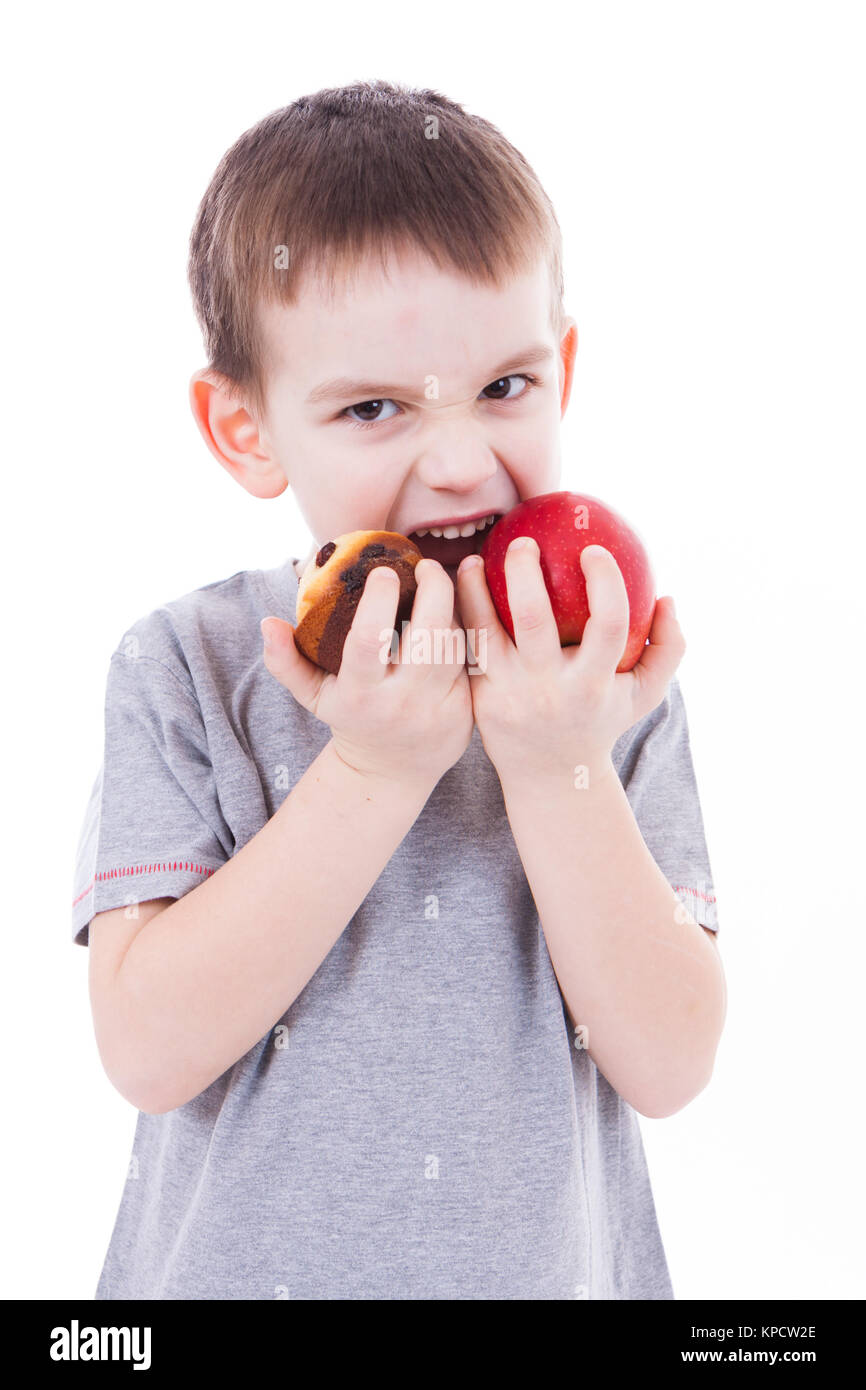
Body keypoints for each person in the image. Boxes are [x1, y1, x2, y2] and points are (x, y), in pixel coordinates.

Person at [71, 79, 725, 1300]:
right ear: (245, 429)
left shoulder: (600, 676)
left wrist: (553, 762)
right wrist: (372, 769)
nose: (462, 460)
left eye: (504, 387)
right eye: (373, 407)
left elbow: (670, 1061)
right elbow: (148, 1048)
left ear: (563, 368)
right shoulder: (186, 666)